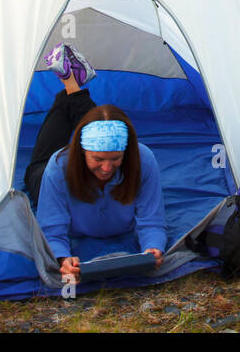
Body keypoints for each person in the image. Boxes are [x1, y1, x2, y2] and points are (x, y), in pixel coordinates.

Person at [35, 105, 167, 284]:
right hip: (40, 177)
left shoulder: (144, 160)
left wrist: (153, 247)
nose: (106, 168)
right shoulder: (58, 167)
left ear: (126, 153)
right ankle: (67, 95)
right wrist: (63, 258)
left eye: (116, 159)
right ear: (83, 152)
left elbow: (152, 219)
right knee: (37, 168)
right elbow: (51, 228)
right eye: (97, 159)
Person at [24, 43, 98, 207]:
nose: (106, 167)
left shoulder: (53, 188)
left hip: (45, 177)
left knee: (39, 167)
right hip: (55, 174)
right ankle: (70, 82)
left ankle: (70, 81)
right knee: (100, 139)